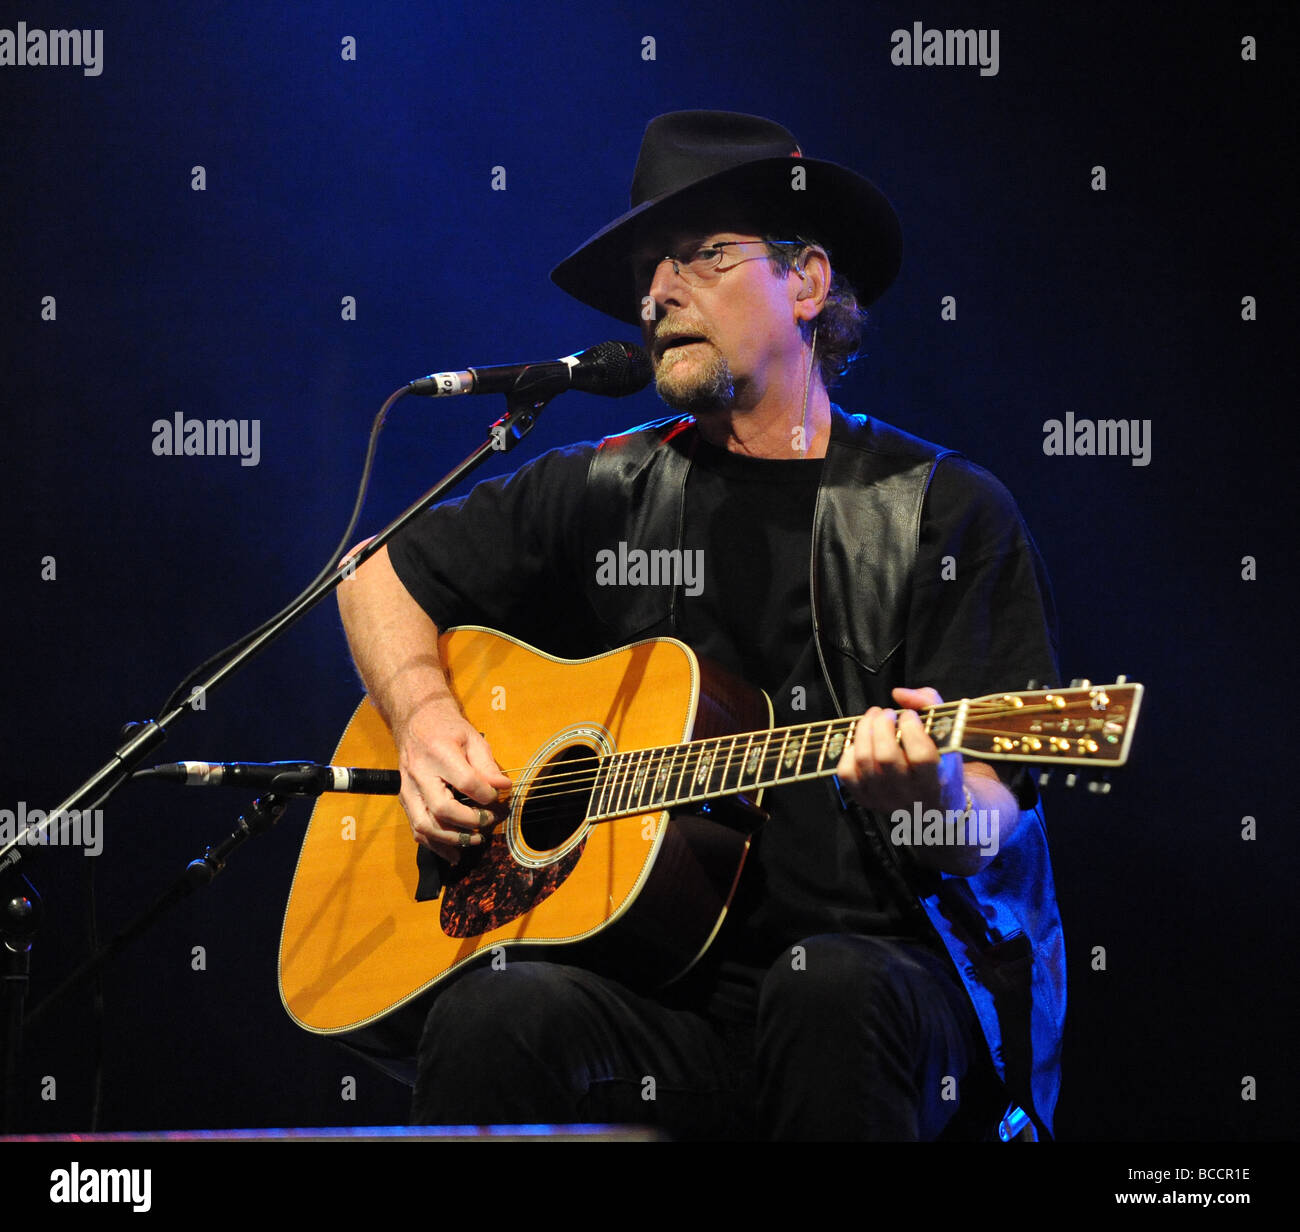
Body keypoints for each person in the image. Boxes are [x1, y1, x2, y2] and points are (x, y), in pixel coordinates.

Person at [337, 110, 1065, 1141]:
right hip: (667, 1001)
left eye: (701, 256)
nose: (657, 292)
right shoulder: (606, 485)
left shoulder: (941, 508)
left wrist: (932, 793)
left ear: (808, 283)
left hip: (891, 996)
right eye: (648, 271)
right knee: (498, 1008)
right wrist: (420, 719)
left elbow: (992, 818)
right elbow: (373, 574)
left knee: (824, 986)